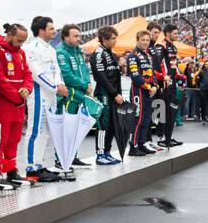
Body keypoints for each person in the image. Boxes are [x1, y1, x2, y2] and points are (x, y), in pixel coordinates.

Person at [0, 23, 32, 191]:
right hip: (3, 106)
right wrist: (17, 97)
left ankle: (11, 172)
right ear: (10, 35)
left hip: (18, 105)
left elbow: (28, 73)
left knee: (14, 140)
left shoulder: (20, 53)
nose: (21, 44)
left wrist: (27, 89)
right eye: (19, 40)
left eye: (23, 41)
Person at [24, 16, 67, 182]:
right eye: (51, 29)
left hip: (52, 95)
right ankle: (31, 168)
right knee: (36, 131)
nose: (54, 32)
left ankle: (39, 165)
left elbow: (57, 71)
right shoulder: (30, 48)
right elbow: (36, 73)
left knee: (46, 133)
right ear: (41, 30)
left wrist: (60, 85)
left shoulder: (51, 49)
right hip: (38, 94)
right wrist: (56, 87)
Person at [56, 24, 94, 168]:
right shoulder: (61, 52)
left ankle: (73, 156)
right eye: (75, 36)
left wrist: (88, 84)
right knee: (66, 128)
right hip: (69, 94)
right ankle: (61, 159)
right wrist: (84, 86)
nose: (79, 38)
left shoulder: (78, 51)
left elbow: (85, 70)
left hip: (80, 94)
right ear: (66, 37)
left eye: (79, 35)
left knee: (76, 128)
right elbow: (66, 75)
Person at [90, 26, 124, 164]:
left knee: (111, 125)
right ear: (104, 39)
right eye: (113, 38)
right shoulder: (98, 54)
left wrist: (119, 94)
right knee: (103, 124)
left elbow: (117, 77)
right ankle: (100, 155)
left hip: (114, 95)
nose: (115, 41)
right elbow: (101, 77)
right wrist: (114, 93)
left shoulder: (112, 54)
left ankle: (107, 152)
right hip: (104, 93)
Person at [127, 30, 158, 156]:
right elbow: (135, 76)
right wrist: (149, 87)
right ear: (137, 40)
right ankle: (132, 147)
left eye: (147, 40)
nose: (145, 42)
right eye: (143, 40)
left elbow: (153, 73)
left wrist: (155, 86)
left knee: (146, 119)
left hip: (148, 91)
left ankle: (141, 143)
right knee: (137, 119)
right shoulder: (133, 56)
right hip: (137, 91)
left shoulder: (148, 56)